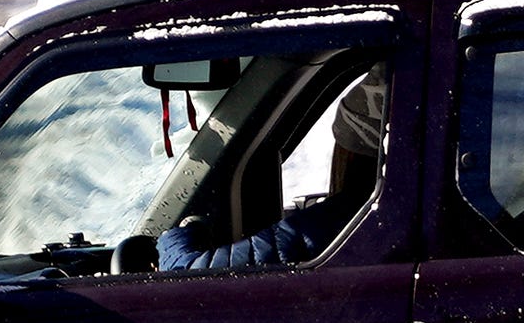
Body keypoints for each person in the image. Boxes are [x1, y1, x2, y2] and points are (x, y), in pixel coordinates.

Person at [154, 63, 387, 273]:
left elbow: (193, 276)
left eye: (345, 150)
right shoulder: (397, 214)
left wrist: (173, 241)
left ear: (375, 154)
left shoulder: (356, 217)